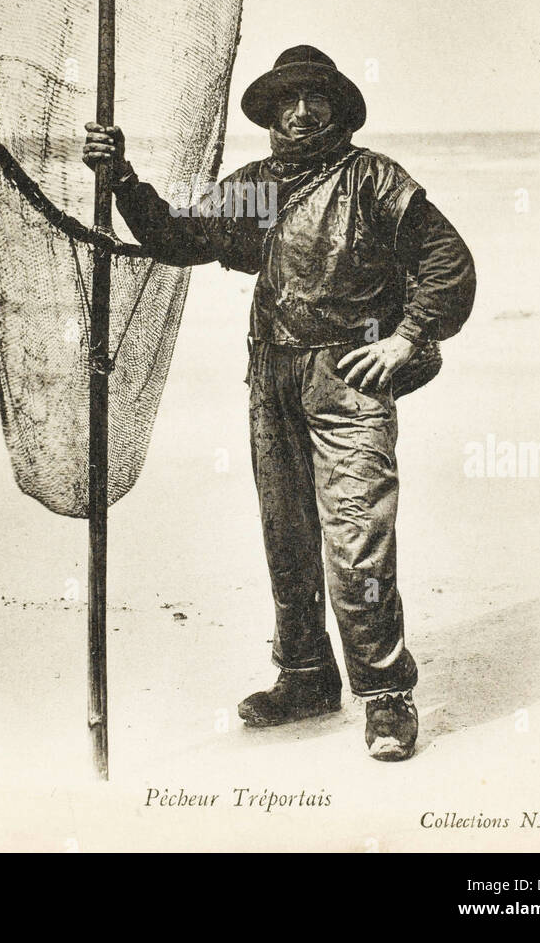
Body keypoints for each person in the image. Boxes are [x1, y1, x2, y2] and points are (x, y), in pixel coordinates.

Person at [83, 45, 475, 760]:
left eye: (314, 98)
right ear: (269, 113)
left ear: (339, 108)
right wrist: (122, 178)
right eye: (286, 100)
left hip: (349, 380)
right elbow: (178, 237)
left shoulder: (371, 180)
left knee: (356, 540)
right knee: (286, 535)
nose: (300, 112)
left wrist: (405, 338)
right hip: (271, 373)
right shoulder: (260, 187)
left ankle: (385, 698)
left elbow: (448, 266)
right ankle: (304, 677)